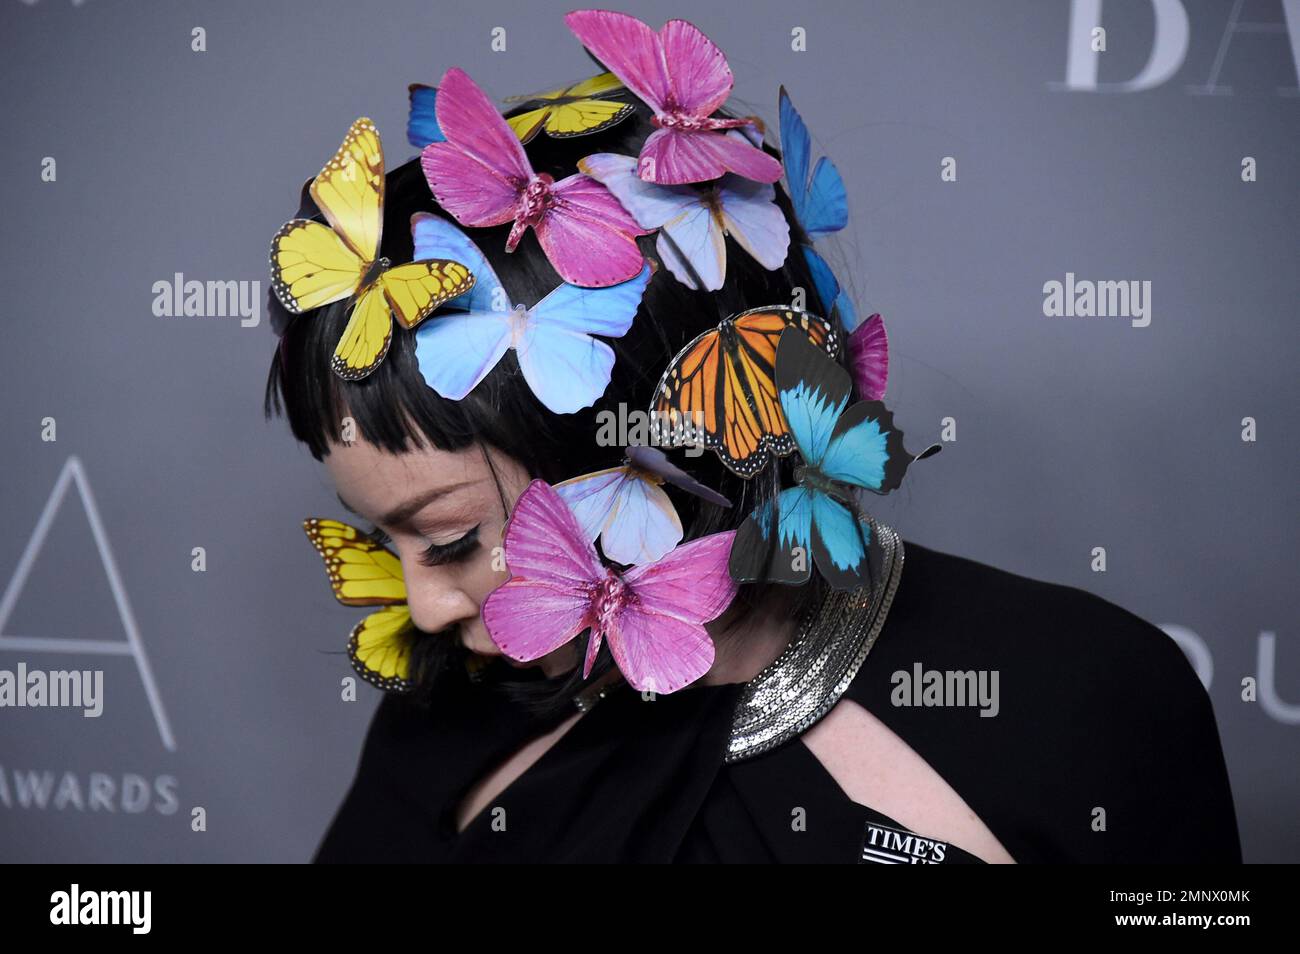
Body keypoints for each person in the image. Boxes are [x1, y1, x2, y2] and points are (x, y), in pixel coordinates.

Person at [264, 11, 1240, 864]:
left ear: (660, 452)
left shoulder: (1082, 698)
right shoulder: (447, 728)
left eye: (447, 539)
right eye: (384, 536)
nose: (422, 607)